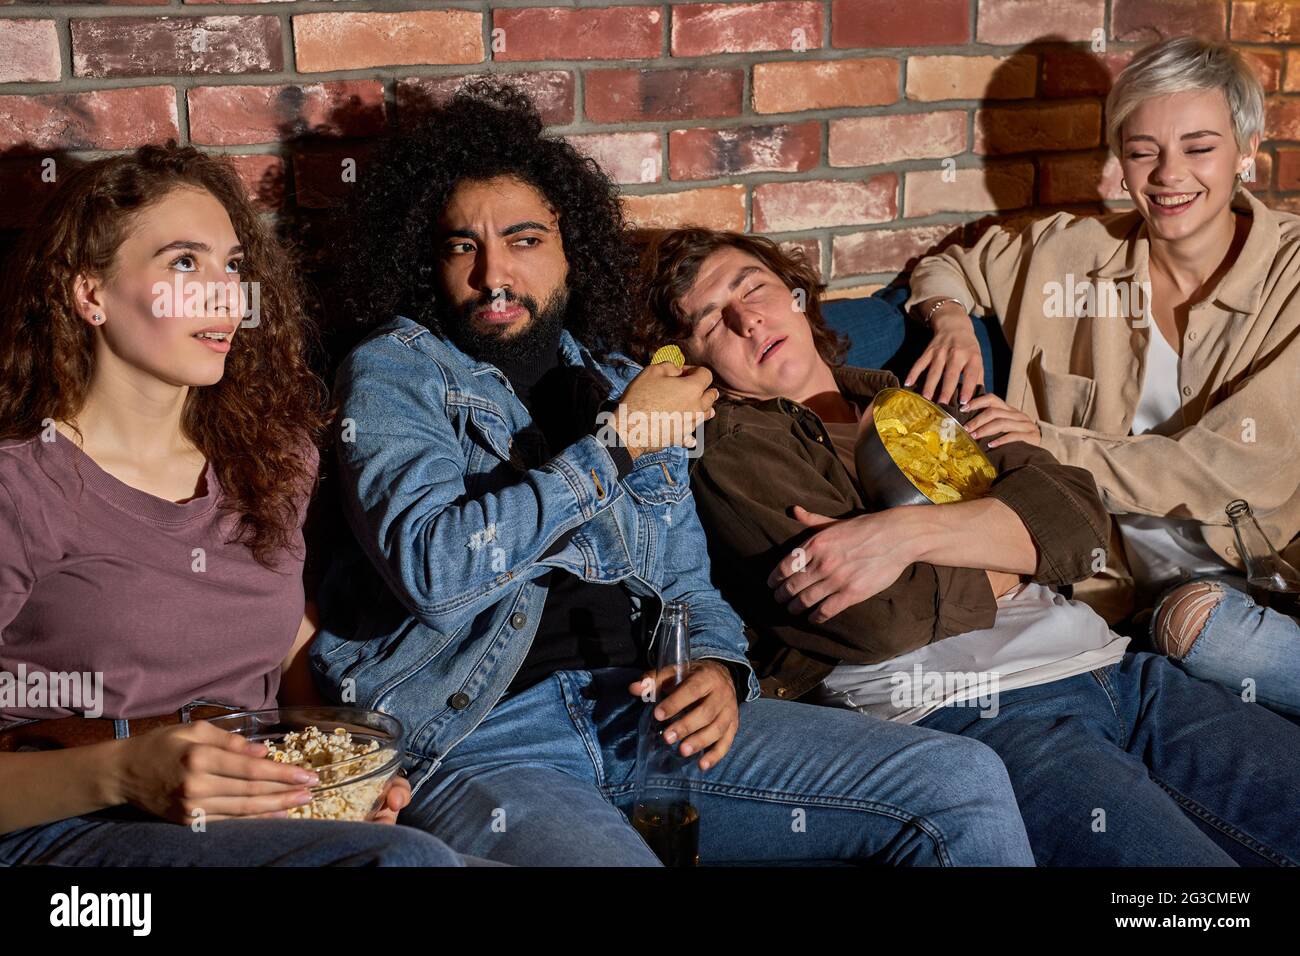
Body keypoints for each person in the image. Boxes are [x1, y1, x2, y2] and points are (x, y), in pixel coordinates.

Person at [309, 79, 1037, 867]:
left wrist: (722, 670)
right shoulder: (394, 372)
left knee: (960, 782)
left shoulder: (623, 380)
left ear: (569, 249)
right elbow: (434, 568)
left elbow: (689, 587)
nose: (493, 273)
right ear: (430, 260)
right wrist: (615, 447)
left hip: (644, 716)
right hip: (485, 737)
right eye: (462, 246)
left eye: (524, 240)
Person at [634, 225, 1300, 866]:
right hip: (976, 715)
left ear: (795, 293)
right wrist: (1013, 546)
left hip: (1119, 669)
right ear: (696, 362)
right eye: (712, 320)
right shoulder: (732, 448)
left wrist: (901, 534)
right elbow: (874, 619)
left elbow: (1081, 524)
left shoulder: (913, 396)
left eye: (753, 289)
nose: (748, 320)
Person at [0, 145, 470, 866]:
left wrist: (339, 780)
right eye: (184, 263)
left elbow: (286, 648)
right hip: (70, 836)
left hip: (245, 822)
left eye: (234, 266)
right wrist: (125, 770)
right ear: (89, 294)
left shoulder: (272, 461)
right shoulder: (21, 485)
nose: (225, 295)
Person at [902, 37, 1300, 715]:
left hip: (1267, 579)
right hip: (1120, 596)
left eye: (1199, 147)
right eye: (1144, 150)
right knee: (1198, 629)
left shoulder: (1291, 273)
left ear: (1247, 152)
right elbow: (954, 266)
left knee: (1221, 636)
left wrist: (1049, 443)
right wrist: (950, 321)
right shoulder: (1070, 253)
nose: (1169, 174)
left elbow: (1240, 470)